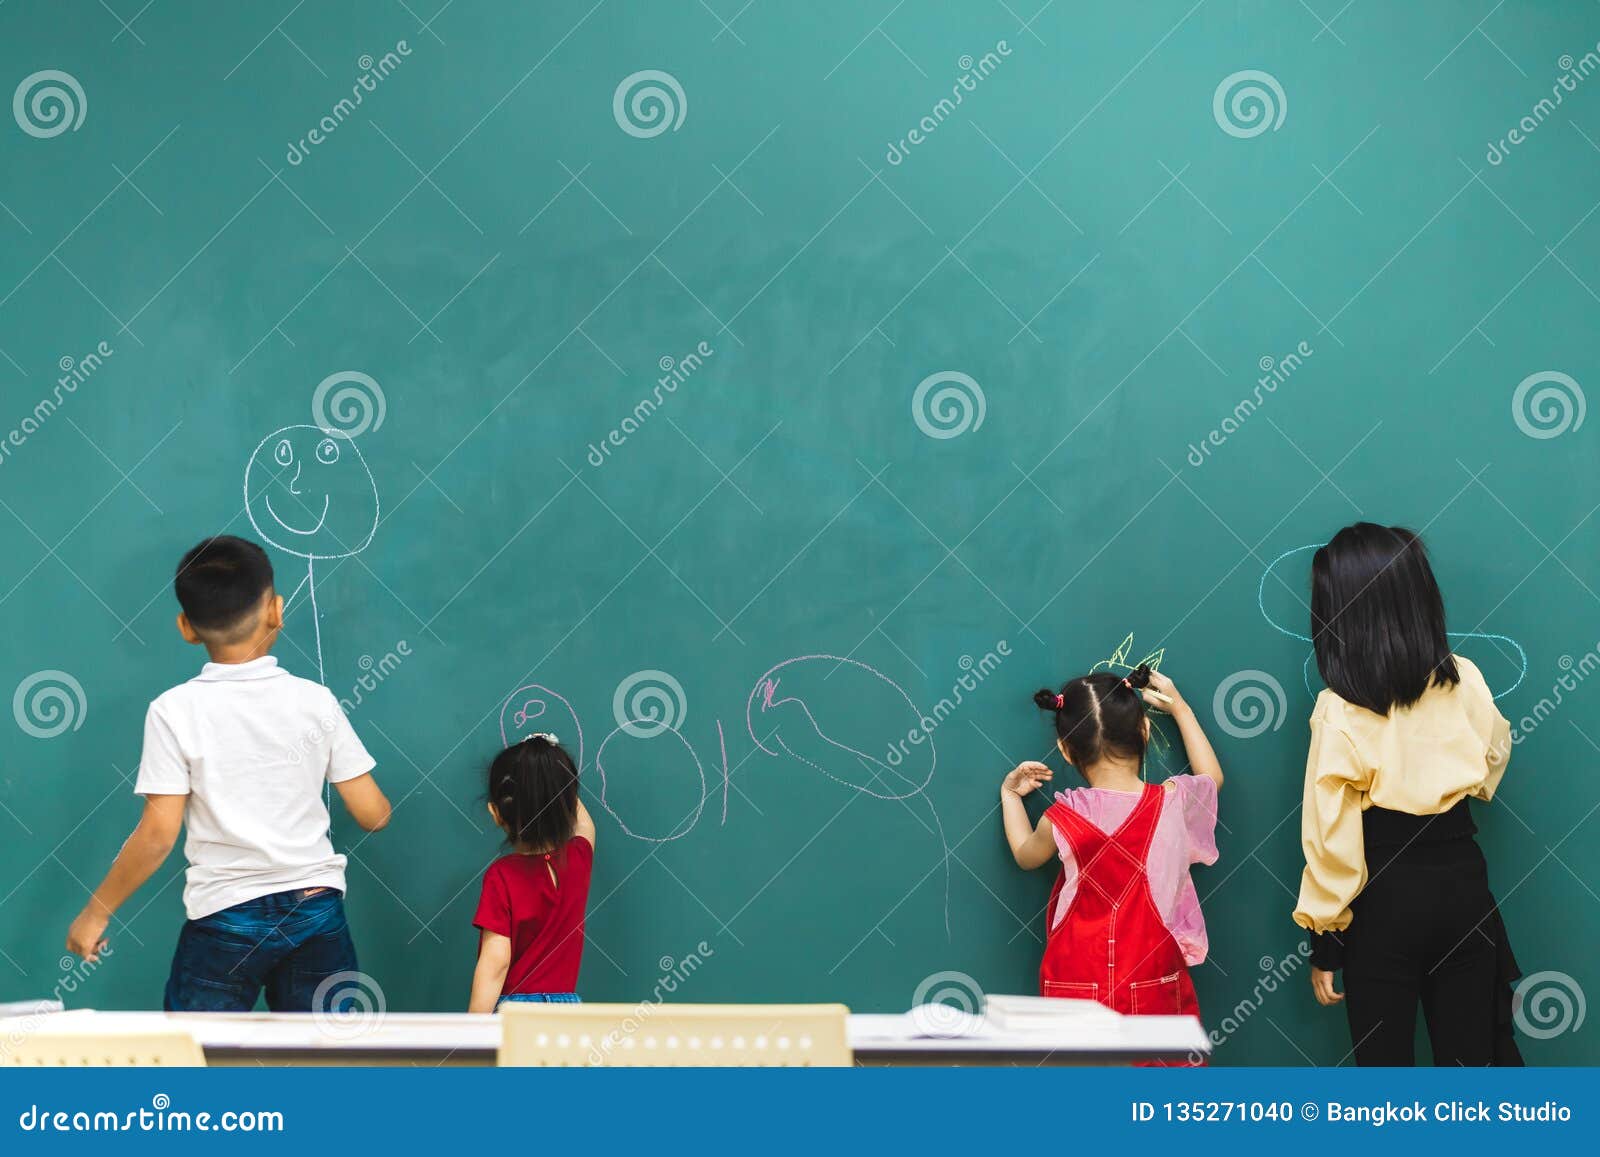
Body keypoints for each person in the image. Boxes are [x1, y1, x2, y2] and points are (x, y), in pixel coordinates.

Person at [64, 535, 391, 1011]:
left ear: (186, 628)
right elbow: (371, 814)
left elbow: (158, 835)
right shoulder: (315, 701)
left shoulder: (173, 711)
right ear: (276, 610)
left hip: (225, 915)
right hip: (314, 907)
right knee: (324, 1067)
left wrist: (95, 914)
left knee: (198, 1061)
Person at [1294, 522, 1521, 1065]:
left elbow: (1331, 836)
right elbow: (1495, 752)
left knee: (1385, 1072)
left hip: (1384, 899)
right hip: (1464, 885)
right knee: (1471, 1063)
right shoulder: (1463, 677)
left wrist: (1327, 939)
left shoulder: (1339, 707)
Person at [1001, 664, 1221, 1057]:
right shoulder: (1172, 803)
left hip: (1075, 989)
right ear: (1145, 733)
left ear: (1066, 750)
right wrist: (1181, 709)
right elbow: (1212, 778)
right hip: (1153, 983)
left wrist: (1011, 795)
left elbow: (1024, 855)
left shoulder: (1060, 818)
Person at [468, 732, 596, 1011]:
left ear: (496, 813)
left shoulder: (502, 875)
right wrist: (548, 770)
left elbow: (496, 962)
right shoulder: (578, 859)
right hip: (566, 1017)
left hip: (516, 1016)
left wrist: (470, 1029)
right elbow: (584, 824)